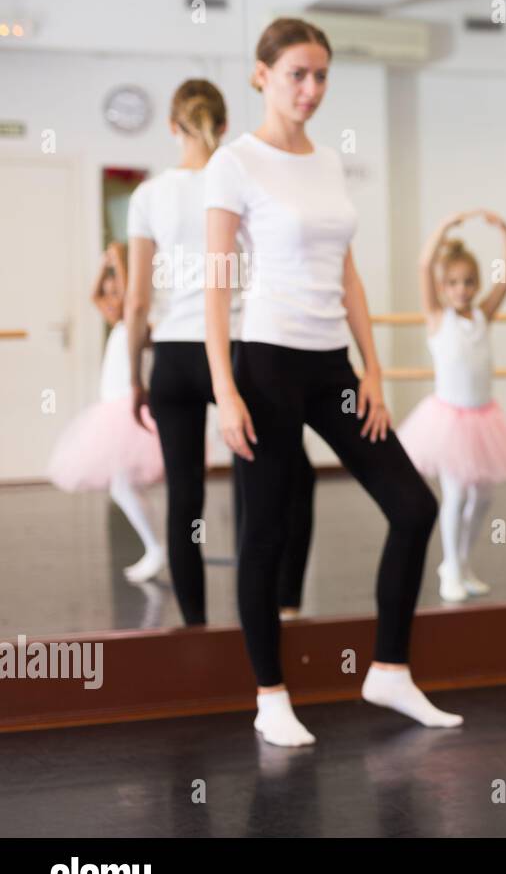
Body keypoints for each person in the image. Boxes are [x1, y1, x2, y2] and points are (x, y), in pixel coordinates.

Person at [204, 18, 460, 746]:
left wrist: (372, 371)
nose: (311, 89)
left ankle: (388, 670)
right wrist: (225, 387)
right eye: (296, 74)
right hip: (264, 364)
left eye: (321, 75)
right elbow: (218, 287)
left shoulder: (326, 162)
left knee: (413, 507)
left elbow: (346, 272)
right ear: (261, 74)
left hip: (330, 368)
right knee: (268, 530)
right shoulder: (235, 163)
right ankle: (270, 694)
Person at [125, 78, 316, 627]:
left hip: (174, 358)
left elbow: (137, 300)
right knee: (286, 482)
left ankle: (195, 628)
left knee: (185, 500)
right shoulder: (242, 177)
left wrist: (136, 374)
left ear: (171, 125)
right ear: (225, 123)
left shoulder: (149, 195)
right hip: (236, 349)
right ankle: (282, 607)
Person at [397, 210, 506, 602]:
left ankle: (459, 561)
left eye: (469, 282)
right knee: (456, 495)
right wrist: (443, 227)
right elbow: (425, 264)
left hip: (483, 417)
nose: (462, 289)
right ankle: (452, 572)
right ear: (443, 288)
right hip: (449, 422)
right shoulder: (437, 318)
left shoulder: (481, 315)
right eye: (454, 283)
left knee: (484, 496)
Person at [48, 244, 166, 583]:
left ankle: (156, 547)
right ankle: (156, 545)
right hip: (113, 408)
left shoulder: (142, 320)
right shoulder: (119, 321)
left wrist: (119, 263)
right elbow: (94, 297)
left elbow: (132, 301)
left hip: (128, 409)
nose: (111, 295)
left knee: (124, 487)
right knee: (124, 487)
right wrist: (106, 266)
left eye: (118, 287)